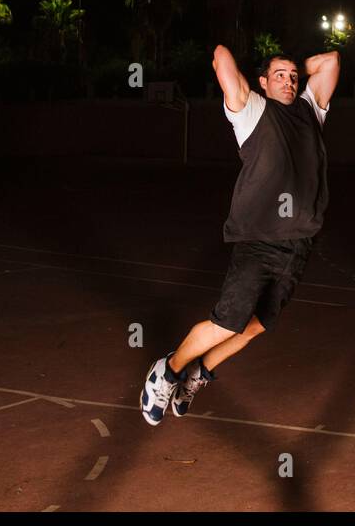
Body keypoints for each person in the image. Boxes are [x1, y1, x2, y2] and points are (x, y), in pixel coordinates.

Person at [140, 45, 339, 425]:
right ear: (262, 82)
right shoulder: (251, 111)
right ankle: (166, 371)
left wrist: (299, 65)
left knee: (255, 326)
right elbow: (218, 55)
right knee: (228, 322)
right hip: (259, 242)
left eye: (293, 75)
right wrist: (255, 80)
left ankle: (198, 373)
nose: (289, 80)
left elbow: (330, 61)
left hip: (299, 244)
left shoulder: (311, 109)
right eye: (279, 75)